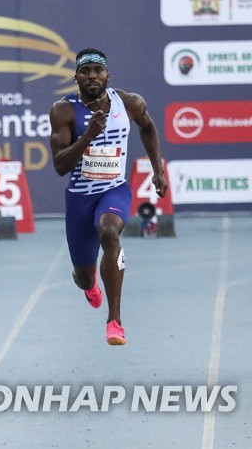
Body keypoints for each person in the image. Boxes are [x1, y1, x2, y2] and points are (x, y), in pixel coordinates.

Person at [48, 49, 168, 347]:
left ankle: (114, 321)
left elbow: (149, 128)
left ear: (107, 76)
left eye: (98, 70)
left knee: (110, 232)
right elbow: (60, 166)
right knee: (84, 277)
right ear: (75, 77)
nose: (92, 76)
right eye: (85, 71)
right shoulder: (63, 111)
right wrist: (87, 136)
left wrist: (158, 170)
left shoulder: (129, 103)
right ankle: (90, 286)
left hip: (113, 190)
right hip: (79, 199)